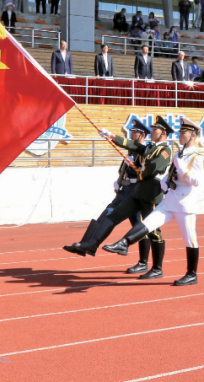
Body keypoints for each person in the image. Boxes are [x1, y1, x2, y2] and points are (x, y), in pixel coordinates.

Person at [65, 118, 172, 280]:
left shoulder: (165, 150)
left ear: (163, 133)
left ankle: (157, 268)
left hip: (151, 193)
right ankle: (93, 243)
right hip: (138, 191)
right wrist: (112, 136)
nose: (152, 131)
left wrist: (140, 171)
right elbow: (133, 145)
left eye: (155, 129)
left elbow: (156, 167)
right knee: (113, 215)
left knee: (152, 231)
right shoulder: (150, 147)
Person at [103, 118, 204, 286]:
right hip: (170, 199)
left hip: (184, 204)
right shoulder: (179, 153)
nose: (180, 135)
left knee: (190, 239)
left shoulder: (196, 157)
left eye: (183, 133)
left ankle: (191, 274)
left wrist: (180, 168)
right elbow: (171, 173)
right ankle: (123, 243)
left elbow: (196, 181)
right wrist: (164, 182)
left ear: (193, 135)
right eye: (180, 132)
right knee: (148, 223)